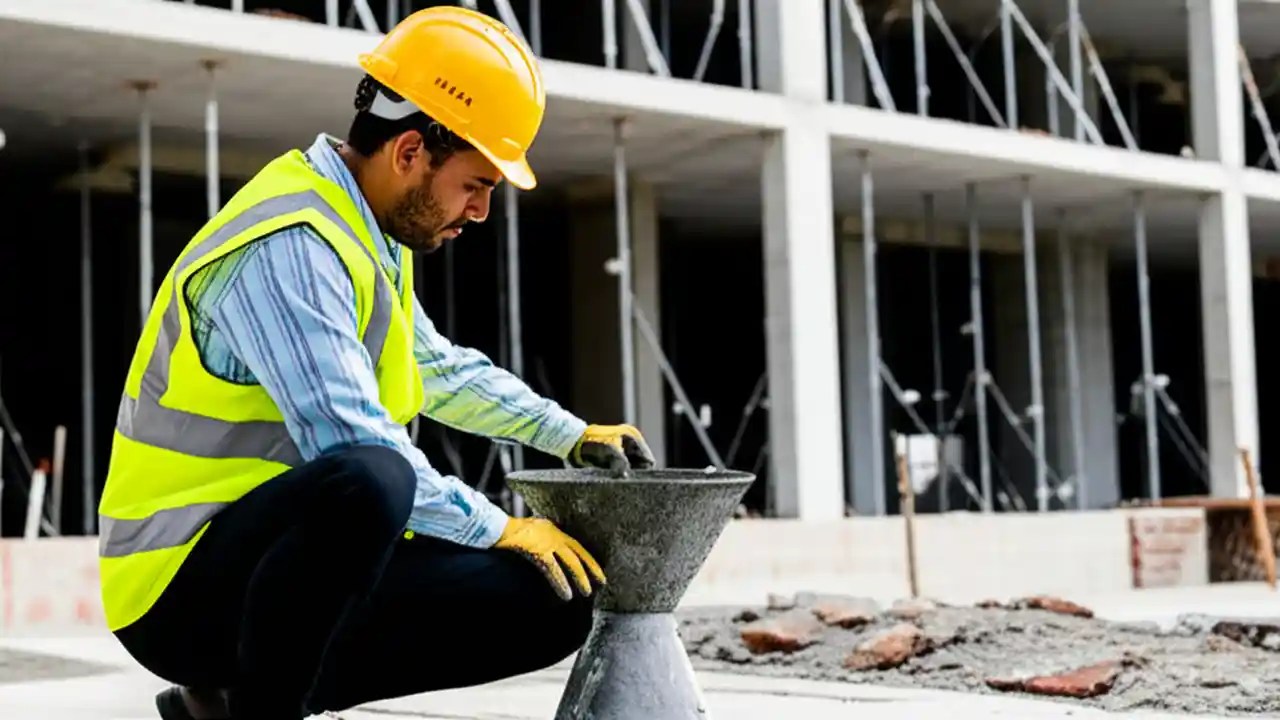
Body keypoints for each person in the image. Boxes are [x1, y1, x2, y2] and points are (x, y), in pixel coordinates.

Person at [95, 7, 655, 719]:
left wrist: (568, 432)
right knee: (372, 478)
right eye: (476, 184)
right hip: (177, 583)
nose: (480, 211)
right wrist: (499, 526)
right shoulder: (291, 241)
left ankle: (228, 702)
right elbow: (353, 442)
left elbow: (438, 369)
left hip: (280, 564)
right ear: (411, 151)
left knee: (550, 600)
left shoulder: (367, 236)